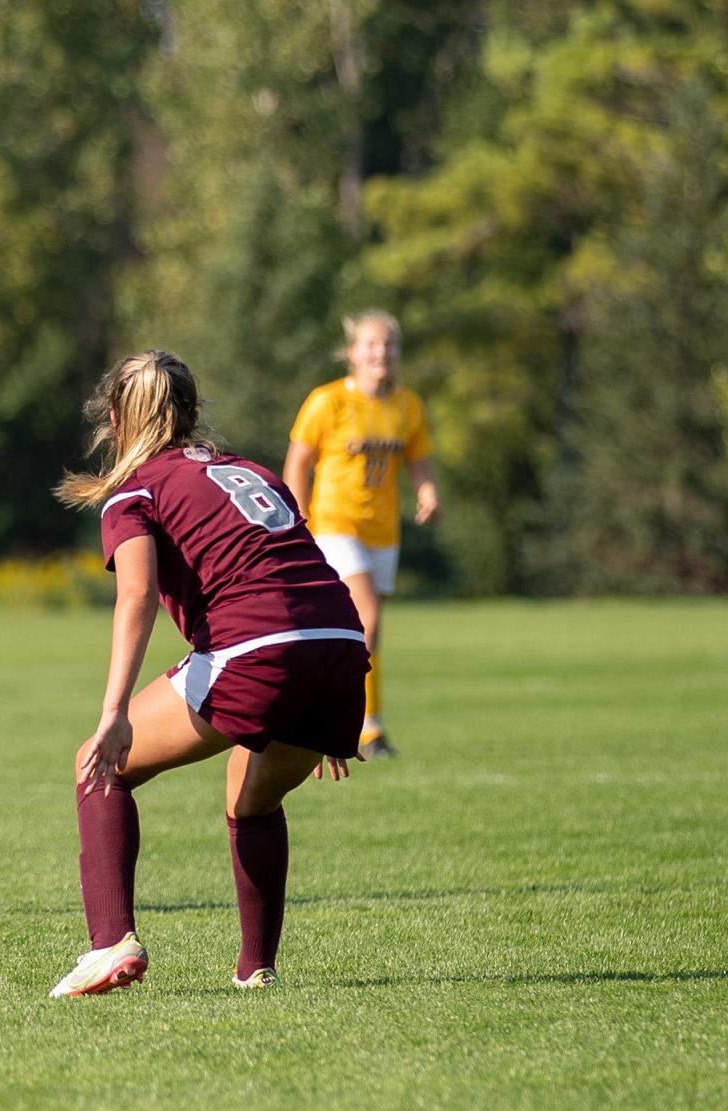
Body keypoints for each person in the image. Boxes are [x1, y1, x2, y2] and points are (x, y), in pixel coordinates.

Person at [48, 350, 368, 997]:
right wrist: (326, 705)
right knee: (250, 796)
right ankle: (257, 968)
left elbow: (136, 595)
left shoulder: (137, 488)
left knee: (97, 763)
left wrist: (113, 715)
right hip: (339, 643)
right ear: (193, 412)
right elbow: (298, 568)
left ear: (114, 418)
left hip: (260, 649)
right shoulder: (252, 471)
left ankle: (110, 943)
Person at [283, 311, 440, 759]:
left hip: (382, 530)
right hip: (334, 524)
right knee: (365, 620)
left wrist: (427, 492)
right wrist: (299, 519)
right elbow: (298, 462)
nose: (381, 353)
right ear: (351, 352)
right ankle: (345, 721)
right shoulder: (327, 401)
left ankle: (369, 725)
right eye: (371, 344)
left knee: (367, 633)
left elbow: (419, 459)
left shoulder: (407, 405)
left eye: (389, 344)